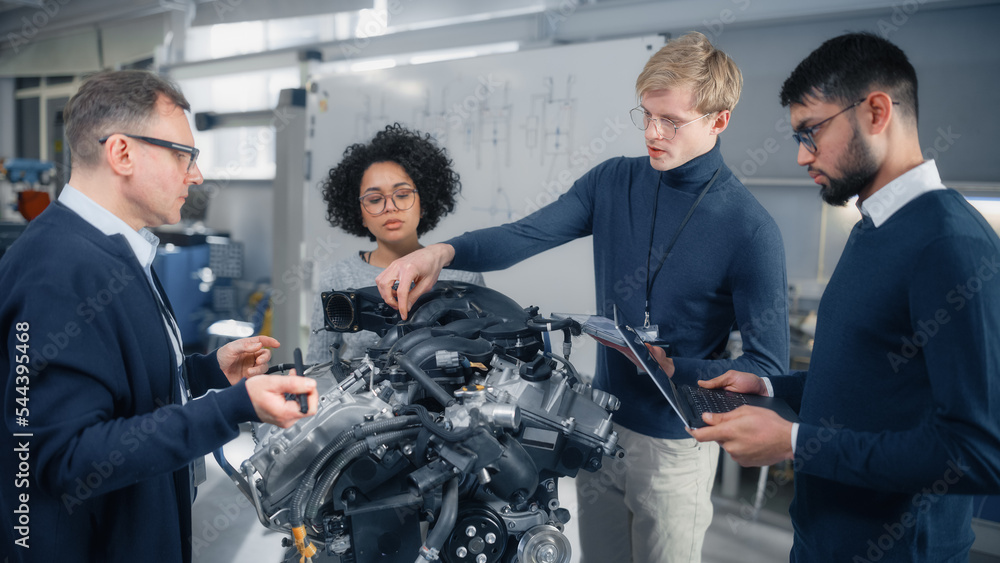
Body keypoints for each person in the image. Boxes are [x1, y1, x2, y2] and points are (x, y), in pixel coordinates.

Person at [374, 32, 790, 563]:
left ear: (719, 120)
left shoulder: (750, 230)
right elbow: (525, 234)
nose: (653, 133)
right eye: (645, 115)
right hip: (596, 428)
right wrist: (441, 252)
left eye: (671, 121)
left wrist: (676, 367)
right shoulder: (613, 181)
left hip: (675, 450)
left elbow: (767, 368)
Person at [687, 33, 1000, 561]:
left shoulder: (950, 244)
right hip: (822, 539)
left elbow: (978, 452)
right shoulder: (872, 225)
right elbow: (872, 378)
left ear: (877, 110)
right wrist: (768, 385)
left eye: (812, 132)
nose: (803, 156)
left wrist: (793, 442)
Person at [0, 70, 317, 563]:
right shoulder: (57, 272)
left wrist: (208, 372)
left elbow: (114, 386)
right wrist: (232, 409)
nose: (195, 174)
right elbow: (66, 457)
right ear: (122, 153)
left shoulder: (114, 250)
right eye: (182, 154)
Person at [306, 123, 484, 365]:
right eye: (375, 199)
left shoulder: (461, 273)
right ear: (360, 213)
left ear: (425, 203)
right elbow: (318, 365)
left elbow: (485, 357)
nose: (390, 206)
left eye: (402, 194)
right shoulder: (337, 278)